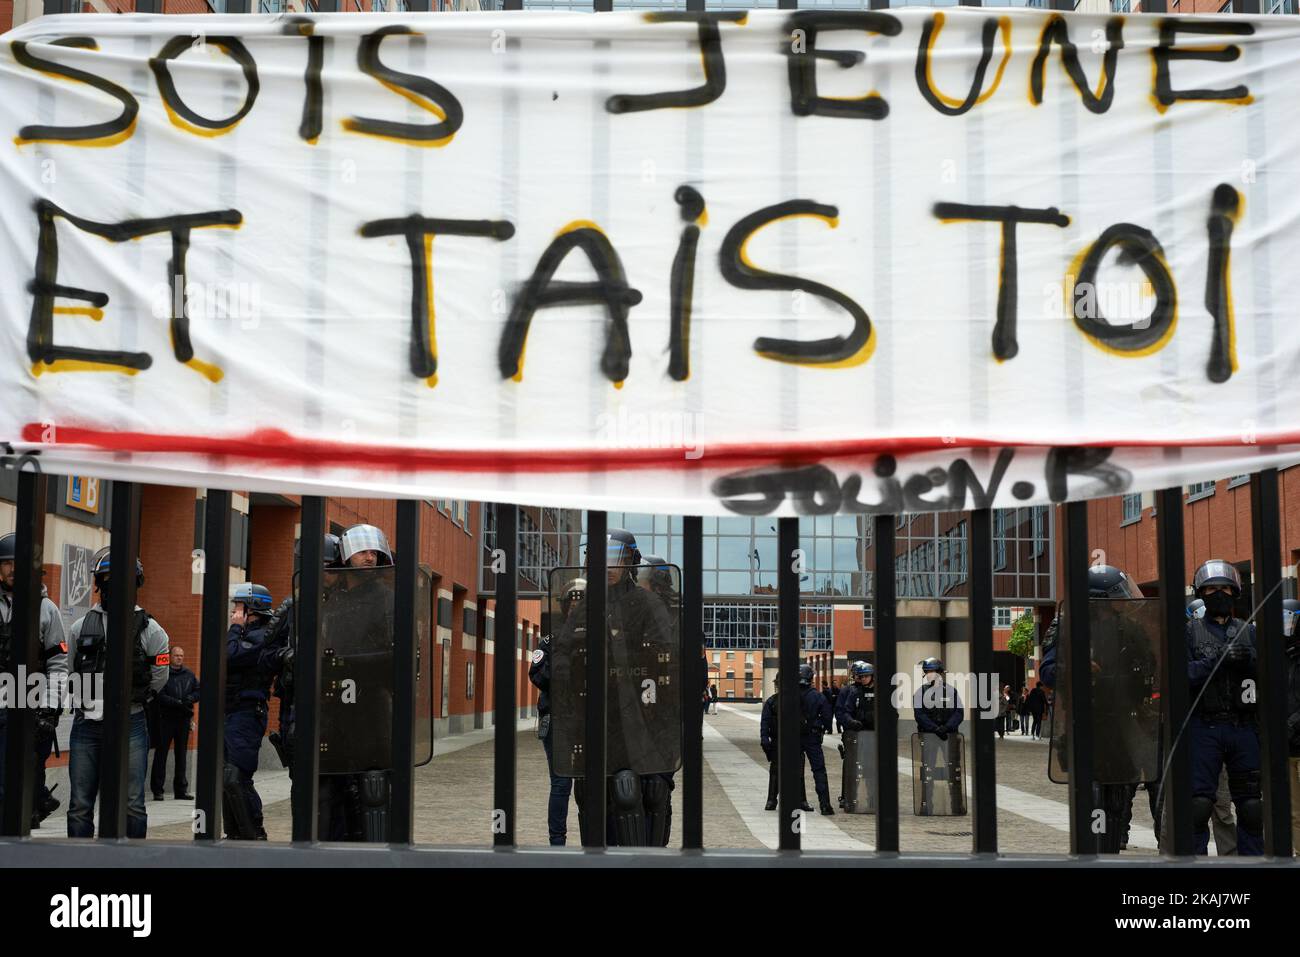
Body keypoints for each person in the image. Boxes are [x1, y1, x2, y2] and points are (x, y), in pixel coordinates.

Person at [569, 528, 678, 846]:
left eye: (615, 559)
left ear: (630, 561)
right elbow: (562, 661)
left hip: (643, 723)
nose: (607, 568)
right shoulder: (584, 607)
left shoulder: (648, 605)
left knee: (647, 790)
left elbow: (666, 663)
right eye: (599, 559)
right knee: (590, 793)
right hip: (597, 725)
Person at [66, 549, 170, 838]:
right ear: (99, 583)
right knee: (79, 804)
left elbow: (160, 675)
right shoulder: (79, 627)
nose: (115, 586)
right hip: (87, 723)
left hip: (131, 722)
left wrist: (137, 697)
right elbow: (69, 670)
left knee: (133, 803)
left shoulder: (152, 630)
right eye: (108, 579)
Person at [1186, 559, 1262, 856]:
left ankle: (1252, 863)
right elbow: (1181, 677)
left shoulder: (1249, 632)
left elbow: (1270, 676)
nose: (1219, 594)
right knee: (1198, 805)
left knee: (1252, 806)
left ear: (1235, 592)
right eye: (1211, 588)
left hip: (1243, 726)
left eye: (1225, 588)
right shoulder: (1189, 632)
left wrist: (1249, 659)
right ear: (1201, 594)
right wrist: (1217, 661)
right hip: (1204, 726)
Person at [0, 531, 68, 829]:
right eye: (7, 563)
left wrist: (50, 708)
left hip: (30, 705)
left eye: (20, 562)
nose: (14, 568)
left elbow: (58, 663)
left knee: (22, 785)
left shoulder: (46, 609)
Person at [528, 576, 580, 846]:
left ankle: (594, 841)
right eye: (572, 602)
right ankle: (557, 842)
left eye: (581, 602)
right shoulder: (550, 640)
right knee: (561, 784)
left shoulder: (601, 639)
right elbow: (536, 674)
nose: (576, 607)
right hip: (558, 720)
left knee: (588, 785)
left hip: (588, 722)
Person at [223, 582, 275, 840]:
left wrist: (234, 627)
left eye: (239, 606)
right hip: (230, 712)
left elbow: (228, 657)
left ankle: (254, 833)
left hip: (246, 714)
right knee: (226, 778)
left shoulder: (261, 636)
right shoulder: (244, 634)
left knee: (237, 776)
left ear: (250, 609)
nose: (234, 611)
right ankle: (233, 834)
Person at [150, 644, 198, 800]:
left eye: (182, 656)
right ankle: (158, 790)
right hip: (166, 718)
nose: (179, 658)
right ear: (170, 657)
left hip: (183, 719)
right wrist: (177, 702)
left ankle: (181, 790)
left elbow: (199, 690)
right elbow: (159, 695)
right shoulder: (164, 674)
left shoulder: (189, 675)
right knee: (161, 754)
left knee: (181, 755)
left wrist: (190, 699)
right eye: (177, 655)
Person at [759, 671, 810, 813]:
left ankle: (801, 800)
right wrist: (764, 739)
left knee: (798, 772)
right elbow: (765, 722)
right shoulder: (772, 701)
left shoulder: (799, 701)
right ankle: (771, 799)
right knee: (775, 771)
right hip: (777, 741)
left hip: (795, 741)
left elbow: (807, 720)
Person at [835, 660, 875, 809]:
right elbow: (842, 711)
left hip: (871, 734)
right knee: (851, 766)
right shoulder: (850, 691)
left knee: (870, 766)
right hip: (853, 733)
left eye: (864, 676)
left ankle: (872, 796)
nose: (860, 678)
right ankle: (848, 796)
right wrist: (850, 723)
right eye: (859, 675)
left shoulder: (874, 691)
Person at [1284, 598, 1300, 853]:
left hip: (1293, 732)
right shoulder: (1272, 656)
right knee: (1292, 809)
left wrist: (1291, 722)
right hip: (1284, 746)